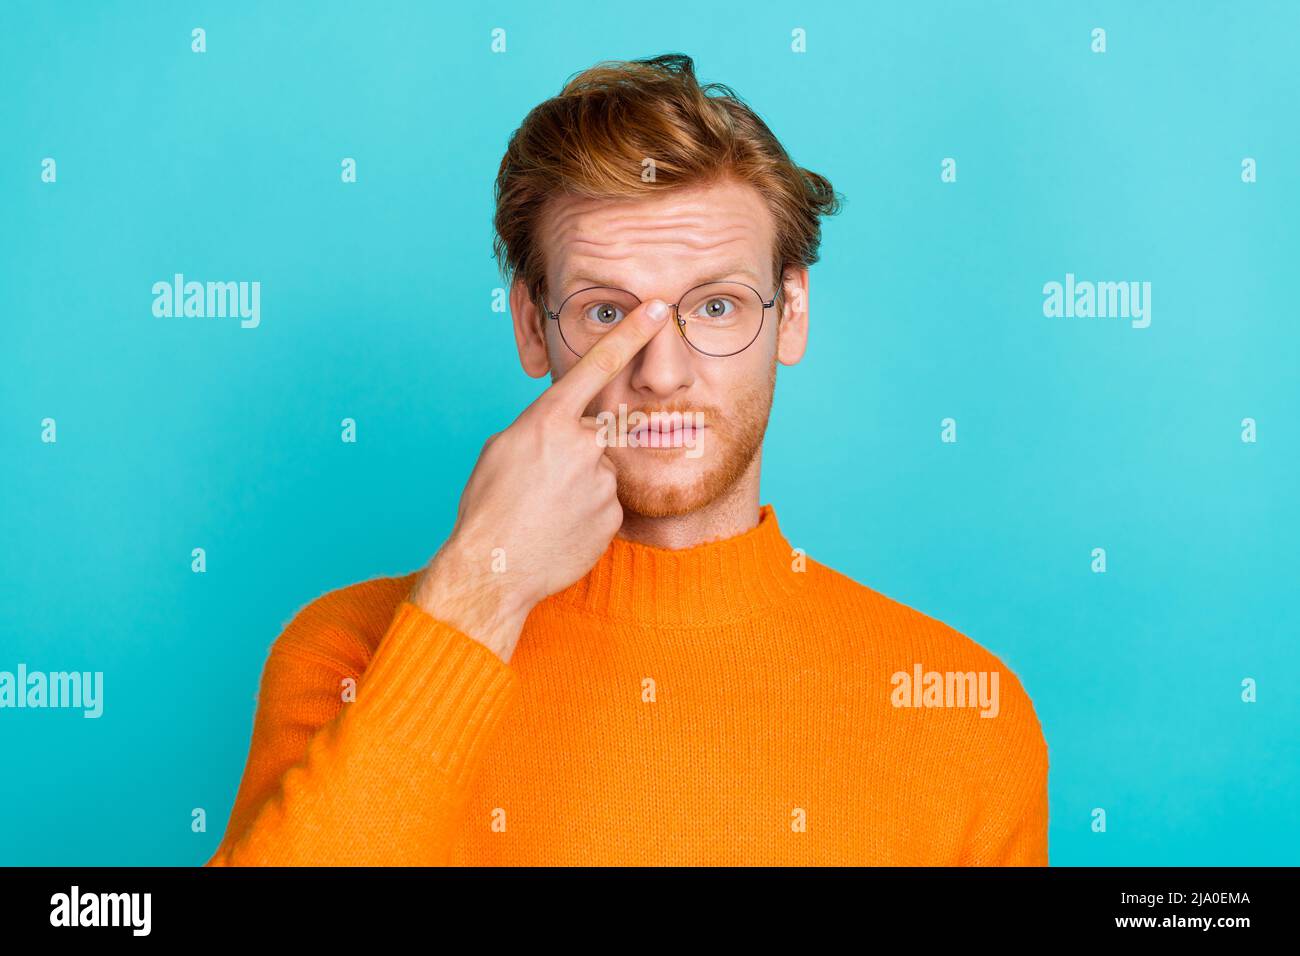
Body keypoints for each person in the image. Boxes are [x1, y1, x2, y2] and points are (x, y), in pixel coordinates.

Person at [206, 53, 1048, 866]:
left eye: (715, 306)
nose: (663, 372)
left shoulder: (963, 708)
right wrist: (479, 595)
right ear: (532, 328)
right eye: (608, 314)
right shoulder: (348, 655)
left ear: (790, 315)